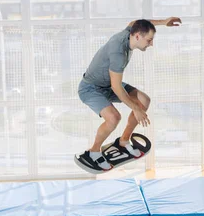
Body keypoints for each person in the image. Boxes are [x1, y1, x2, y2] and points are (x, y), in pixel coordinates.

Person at [75, 17, 182, 172]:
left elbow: (136, 22)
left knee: (144, 100)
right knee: (114, 118)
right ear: (137, 36)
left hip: (108, 83)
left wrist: (164, 22)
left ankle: (123, 141)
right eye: (149, 40)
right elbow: (117, 87)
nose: (151, 44)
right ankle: (93, 151)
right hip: (91, 88)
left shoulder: (129, 32)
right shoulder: (118, 52)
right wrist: (136, 110)